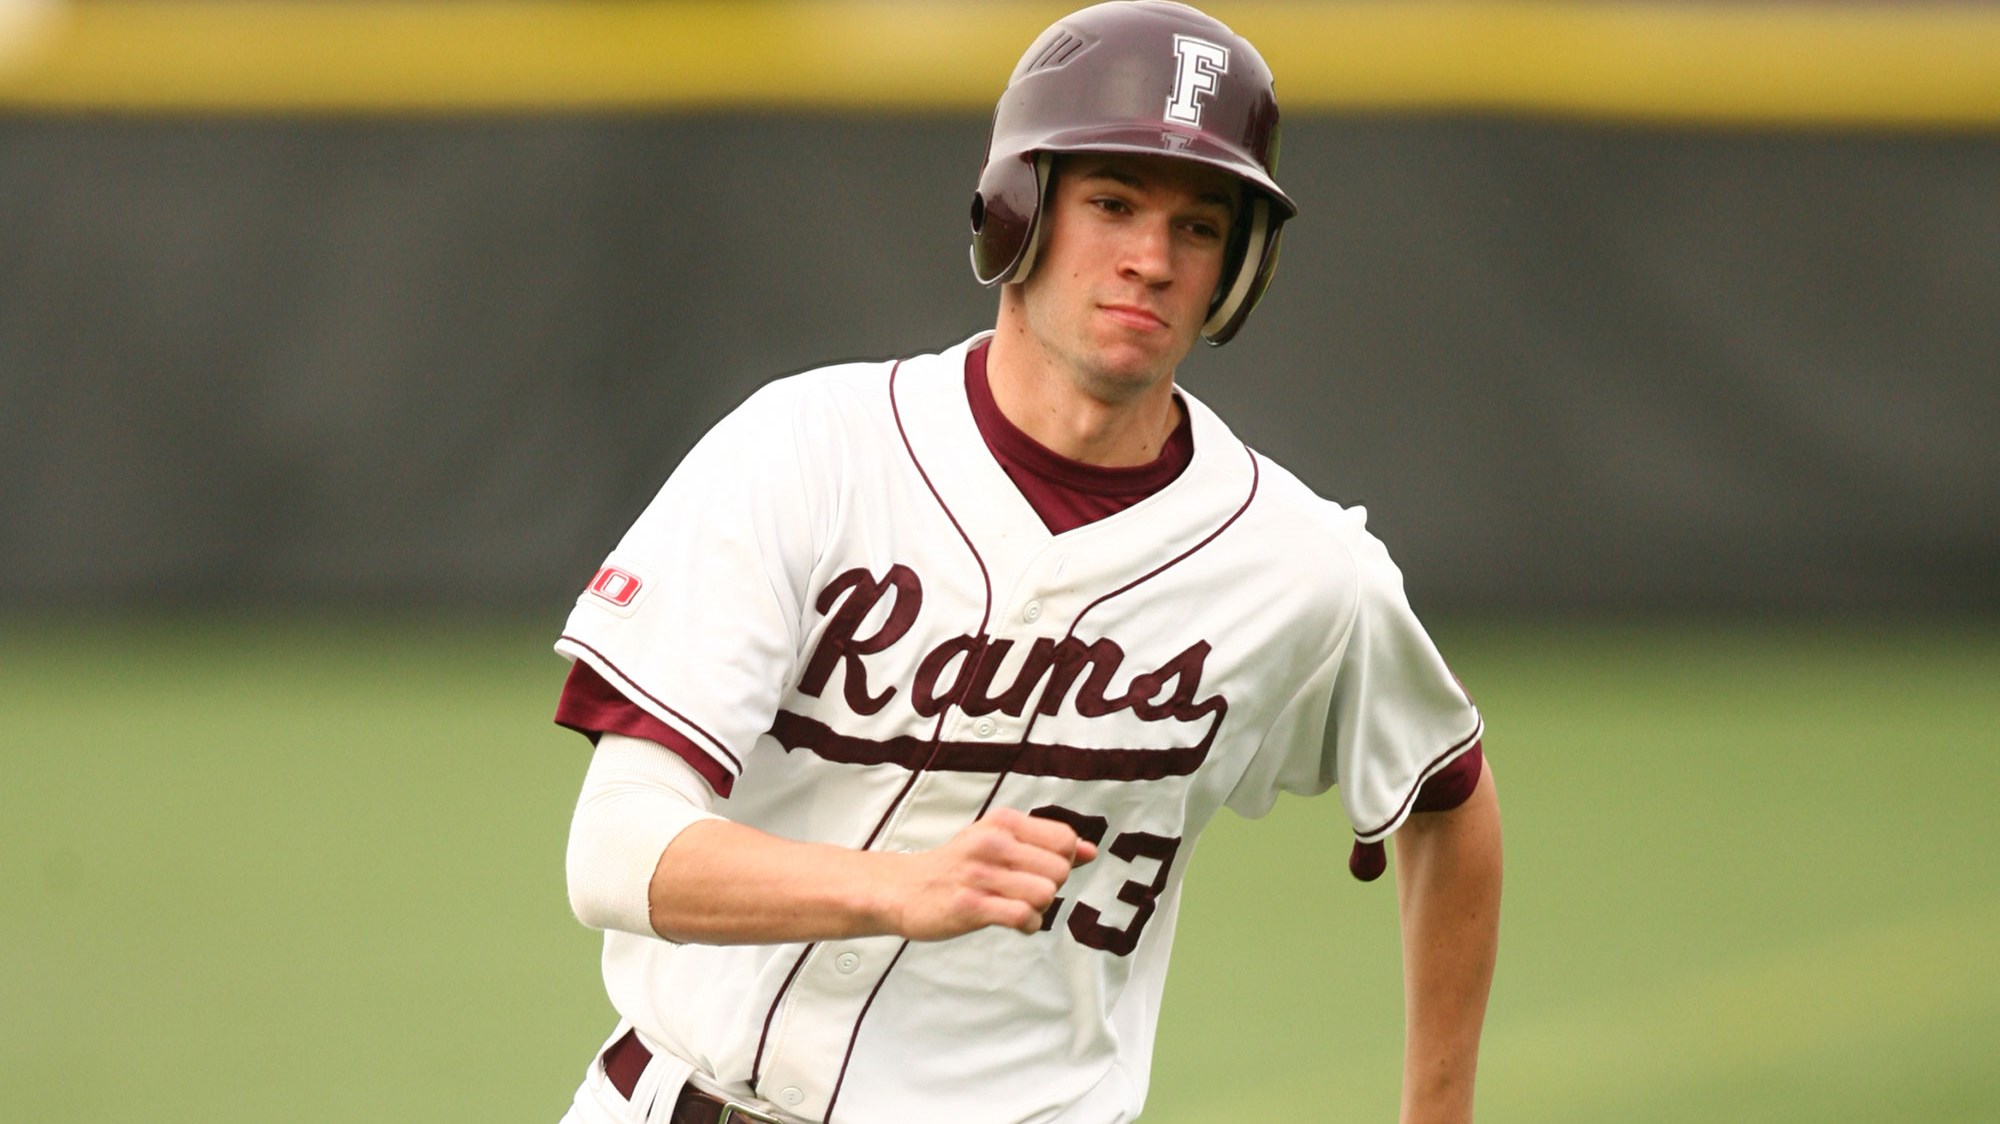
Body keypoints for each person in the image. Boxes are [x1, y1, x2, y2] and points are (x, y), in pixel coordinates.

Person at [550, 3, 1502, 1122]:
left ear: (1237, 268)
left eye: (1199, 226)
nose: (1149, 259)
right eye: (1109, 203)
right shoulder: (807, 451)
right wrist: (902, 886)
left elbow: (1446, 796)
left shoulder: (1297, 567)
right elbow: (613, 853)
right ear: (1017, 212)